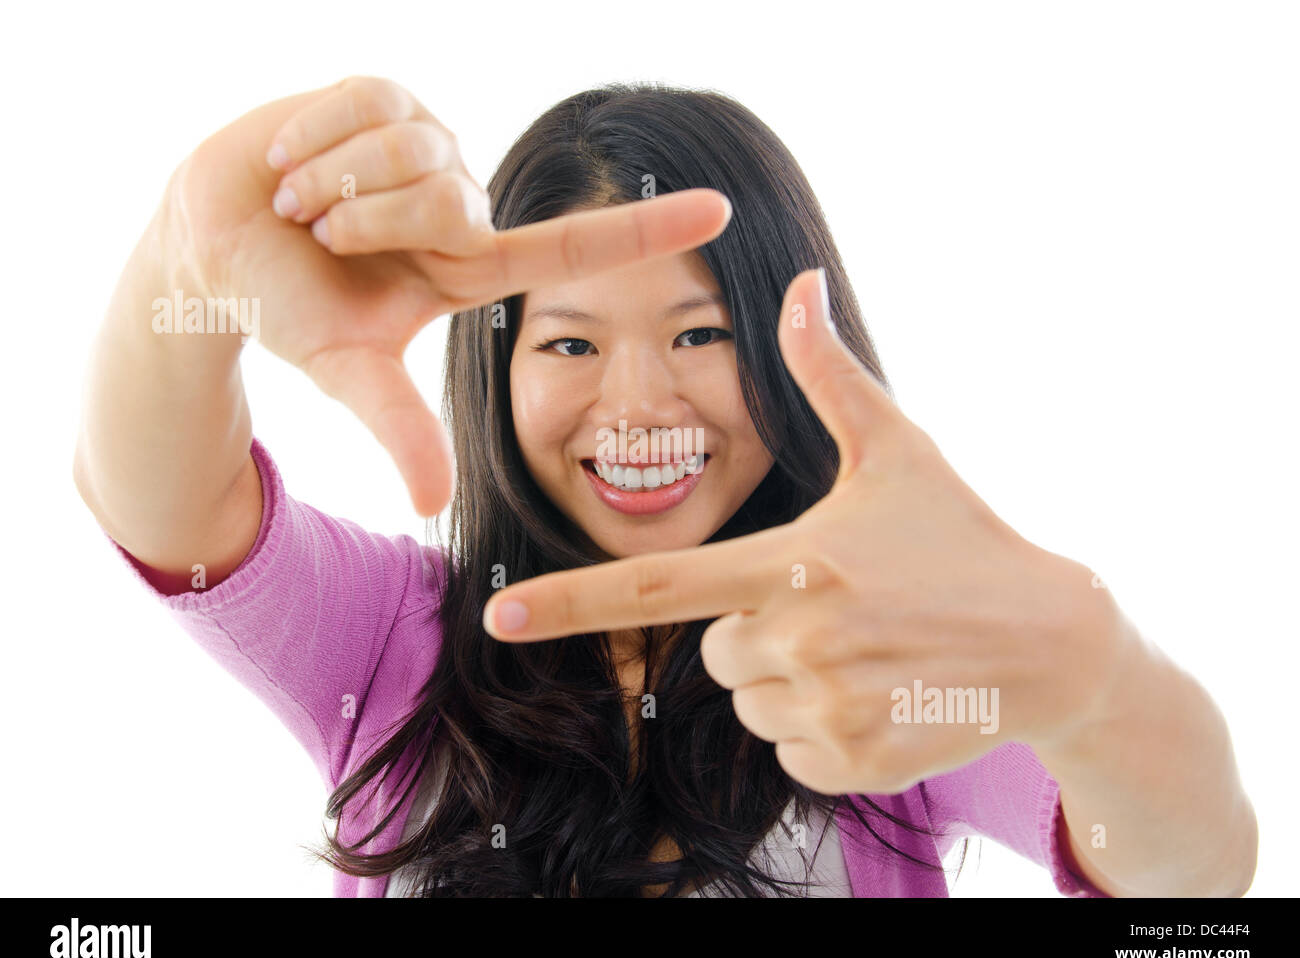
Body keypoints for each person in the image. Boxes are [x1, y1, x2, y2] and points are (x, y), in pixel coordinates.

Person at [74, 76, 1257, 897]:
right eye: (572, 345)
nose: (636, 406)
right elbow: (162, 506)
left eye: (699, 335)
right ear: (493, 370)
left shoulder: (873, 669)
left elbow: (1191, 876)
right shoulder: (400, 639)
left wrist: (1095, 667)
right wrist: (189, 270)